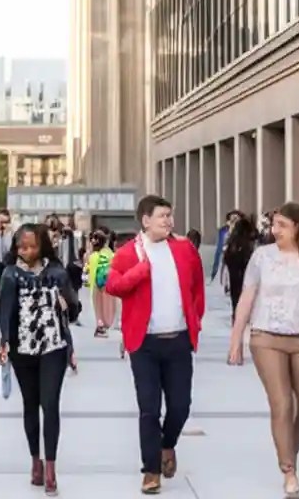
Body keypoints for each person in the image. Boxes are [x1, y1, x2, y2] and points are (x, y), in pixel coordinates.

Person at [228, 202, 299, 499]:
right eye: (274, 224)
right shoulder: (262, 257)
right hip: (266, 337)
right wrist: (236, 338)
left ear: (297, 228)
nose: (275, 230)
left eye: (282, 225)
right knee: (282, 404)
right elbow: (246, 297)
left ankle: (287, 449)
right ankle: (289, 471)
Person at [104, 195, 206, 495]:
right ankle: (150, 470)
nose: (168, 221)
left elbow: (197, 289)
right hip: (144, 343)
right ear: (146, 220)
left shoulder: (184, 249)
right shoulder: (128, 253)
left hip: (178, 340)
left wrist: (195, 320)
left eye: (170, 215)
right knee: (149, 409)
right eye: (162, 216)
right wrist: (139, 271)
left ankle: (167, 444)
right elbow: (112, 286)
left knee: (180, 406)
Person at [0, 223, 80, 495]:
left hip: (54, 346)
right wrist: (4, 343)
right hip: (22, 349)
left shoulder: (57, 272)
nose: (27, 251)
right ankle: (36, 461)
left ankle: (51, 468)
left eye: (32, 246)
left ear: (42, 245)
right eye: (22, 247)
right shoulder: (10, 274)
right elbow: (4, 312)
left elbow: (74, 309)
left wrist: (67, 306)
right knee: (30, 404)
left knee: (50, 404)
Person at [221, 215, 259, 322]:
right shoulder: (248, 248)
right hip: (247, 286)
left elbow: (227, 261)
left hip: (235, 284)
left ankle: (236, 317)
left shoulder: (232, 246)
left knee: (236, 301)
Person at [84, 228, 116, 335]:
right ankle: (107, 323)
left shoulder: (91, 256)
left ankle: (100, 325)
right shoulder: (110, 254)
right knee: (107, 304)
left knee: (97, 306)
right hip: (107, 283)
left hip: (95, 283)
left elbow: (86, 269)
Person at [210, 211, 242, 283]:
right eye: (232, 218)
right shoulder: (224, 231)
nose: (234, 220)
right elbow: (220, 248)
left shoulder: (242, 231)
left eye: (236, 218)